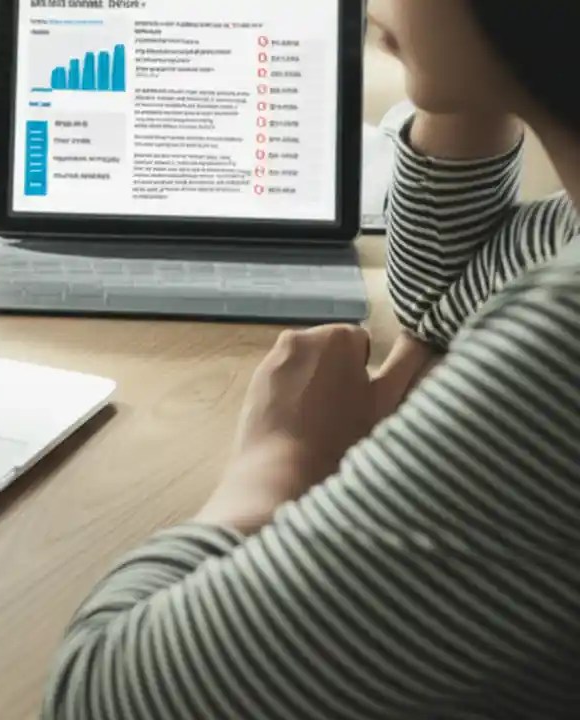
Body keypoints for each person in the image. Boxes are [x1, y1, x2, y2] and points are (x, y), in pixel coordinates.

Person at [43, 1, 580, 718]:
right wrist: (484, 70)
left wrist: (280, 458)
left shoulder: (564, 346)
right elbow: (446, 297)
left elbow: (105, 696)